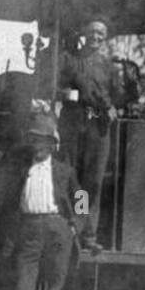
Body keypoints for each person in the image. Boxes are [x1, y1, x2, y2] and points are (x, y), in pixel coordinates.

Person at [6, 113, 81, 290]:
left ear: (52, 144)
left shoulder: (64, 171)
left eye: (42, 141)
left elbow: (81, 199)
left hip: (57, 231)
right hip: (28, 231)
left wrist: (76, 227)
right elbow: (9, 203)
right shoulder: (21, 169)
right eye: (34, 140)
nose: (37, 145)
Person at [56, 17, 125, 251]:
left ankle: (87, 233)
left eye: (101, 35)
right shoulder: (70, 59)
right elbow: (56, 86)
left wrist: (114, 106)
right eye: (93, 32)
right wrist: (67, 94)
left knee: (92, 181)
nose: (96, 38)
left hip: (98, 127)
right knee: (72, 176)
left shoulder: (108, 65)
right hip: (74, 124)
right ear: (85, 33)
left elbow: (118, 96)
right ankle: (71, 228)